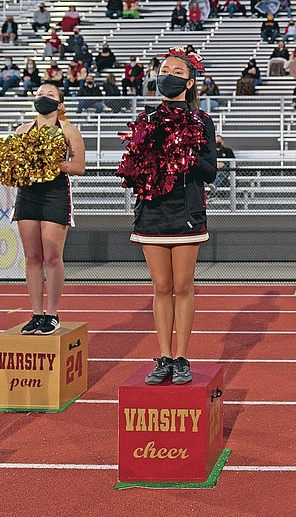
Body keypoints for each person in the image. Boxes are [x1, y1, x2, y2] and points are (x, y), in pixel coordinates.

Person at [131, 48, 216, 386]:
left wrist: (186, 155)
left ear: (189, 80)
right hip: (151, 213)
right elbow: (133, 169)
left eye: (176, 70)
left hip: (187, 213)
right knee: (161, 286)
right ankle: (163, 356)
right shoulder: (145, 120)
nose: (167, 74)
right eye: (164, 69)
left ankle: (182, 356)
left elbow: (210, 171)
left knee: (183, 286)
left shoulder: (202, 122)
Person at [12, 83, 86, 335]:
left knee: (52, 257)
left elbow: (79, 167)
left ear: (60, 103)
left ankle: (52, 314)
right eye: (40, 94)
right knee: (32, 258)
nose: (44, 97)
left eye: (50, 94)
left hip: (54, 195)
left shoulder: (68, 130)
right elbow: (12, 165)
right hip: (28, 195)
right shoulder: (22, 129)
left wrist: (54, 163)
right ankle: (36, 314)